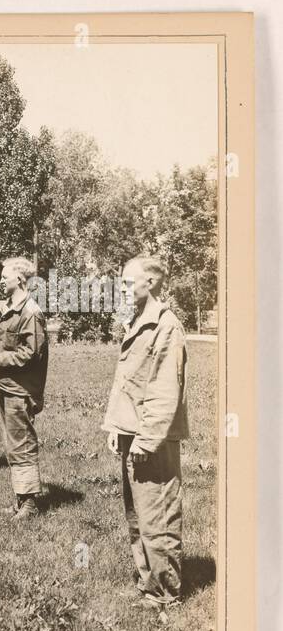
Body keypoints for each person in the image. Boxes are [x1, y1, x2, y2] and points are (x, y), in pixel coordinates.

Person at [102, 255, 189, 608]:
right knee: (137, 514)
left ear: (150, 283)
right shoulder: (137, 322)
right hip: (131, 433)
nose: (121, 289)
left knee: (159, 514)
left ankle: (166, 593)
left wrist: (148, 438)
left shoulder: (167, 326)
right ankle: (148, 579)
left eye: (127, 283)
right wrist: (115, 426)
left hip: (151, 439)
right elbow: (127, 381)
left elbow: (165, 390)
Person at [0, 256, 50, 519]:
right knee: (13, 443)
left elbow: (30, 354)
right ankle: (21, 499)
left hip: (21, 389)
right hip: (9, 386)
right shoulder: (13, 305)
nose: (0, 280)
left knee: (22, 443)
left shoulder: (31, 312)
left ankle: (30, 504)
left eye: (4, 276)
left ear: (20, 280)